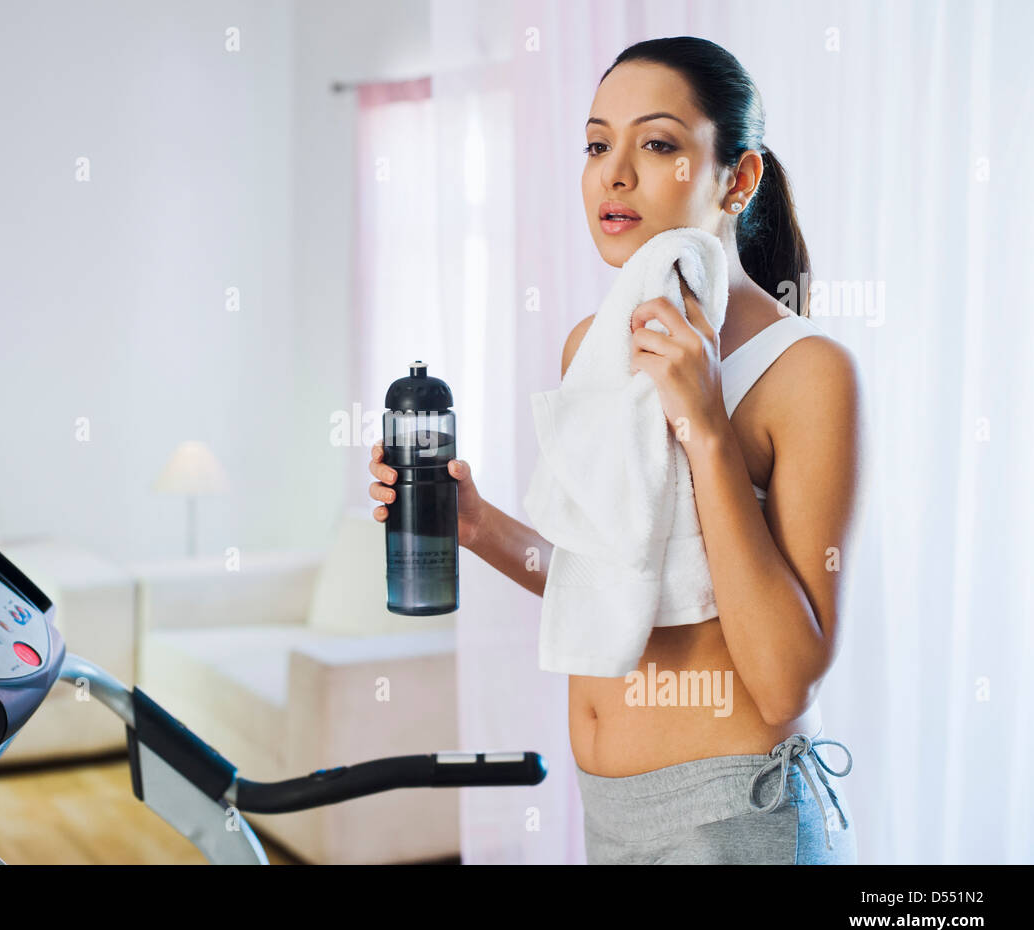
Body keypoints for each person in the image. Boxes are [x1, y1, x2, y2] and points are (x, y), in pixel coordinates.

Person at [368, 36, 864, 864]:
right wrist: (479, 523)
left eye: (658, 143)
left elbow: (785, 678)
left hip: (732, 817)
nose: (614, 173)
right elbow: (614, 581)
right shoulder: (590, 351)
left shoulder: (808, 372)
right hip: (606, 814)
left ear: (738, 179)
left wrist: (706, 428)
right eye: (598, 144)